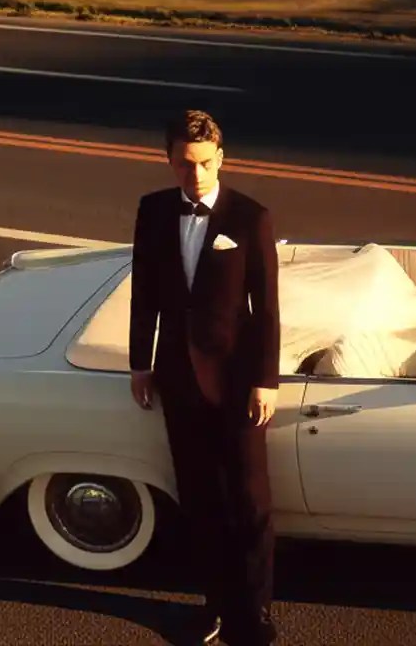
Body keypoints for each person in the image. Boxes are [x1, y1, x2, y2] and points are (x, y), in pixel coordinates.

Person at [128, 109, 281, 646]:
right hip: (177, 377)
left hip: (239, 382)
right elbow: (143, 292)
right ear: (169, 160)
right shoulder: (151, 212)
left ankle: (255, 612)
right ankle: (214, 607)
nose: (195, 175)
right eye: (185, 164)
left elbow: (266, 309)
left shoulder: (250, 218)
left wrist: (267, 379)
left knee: (251, 501)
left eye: (205, 163)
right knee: (199, 499)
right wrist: (139, 363)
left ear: (222, 158)